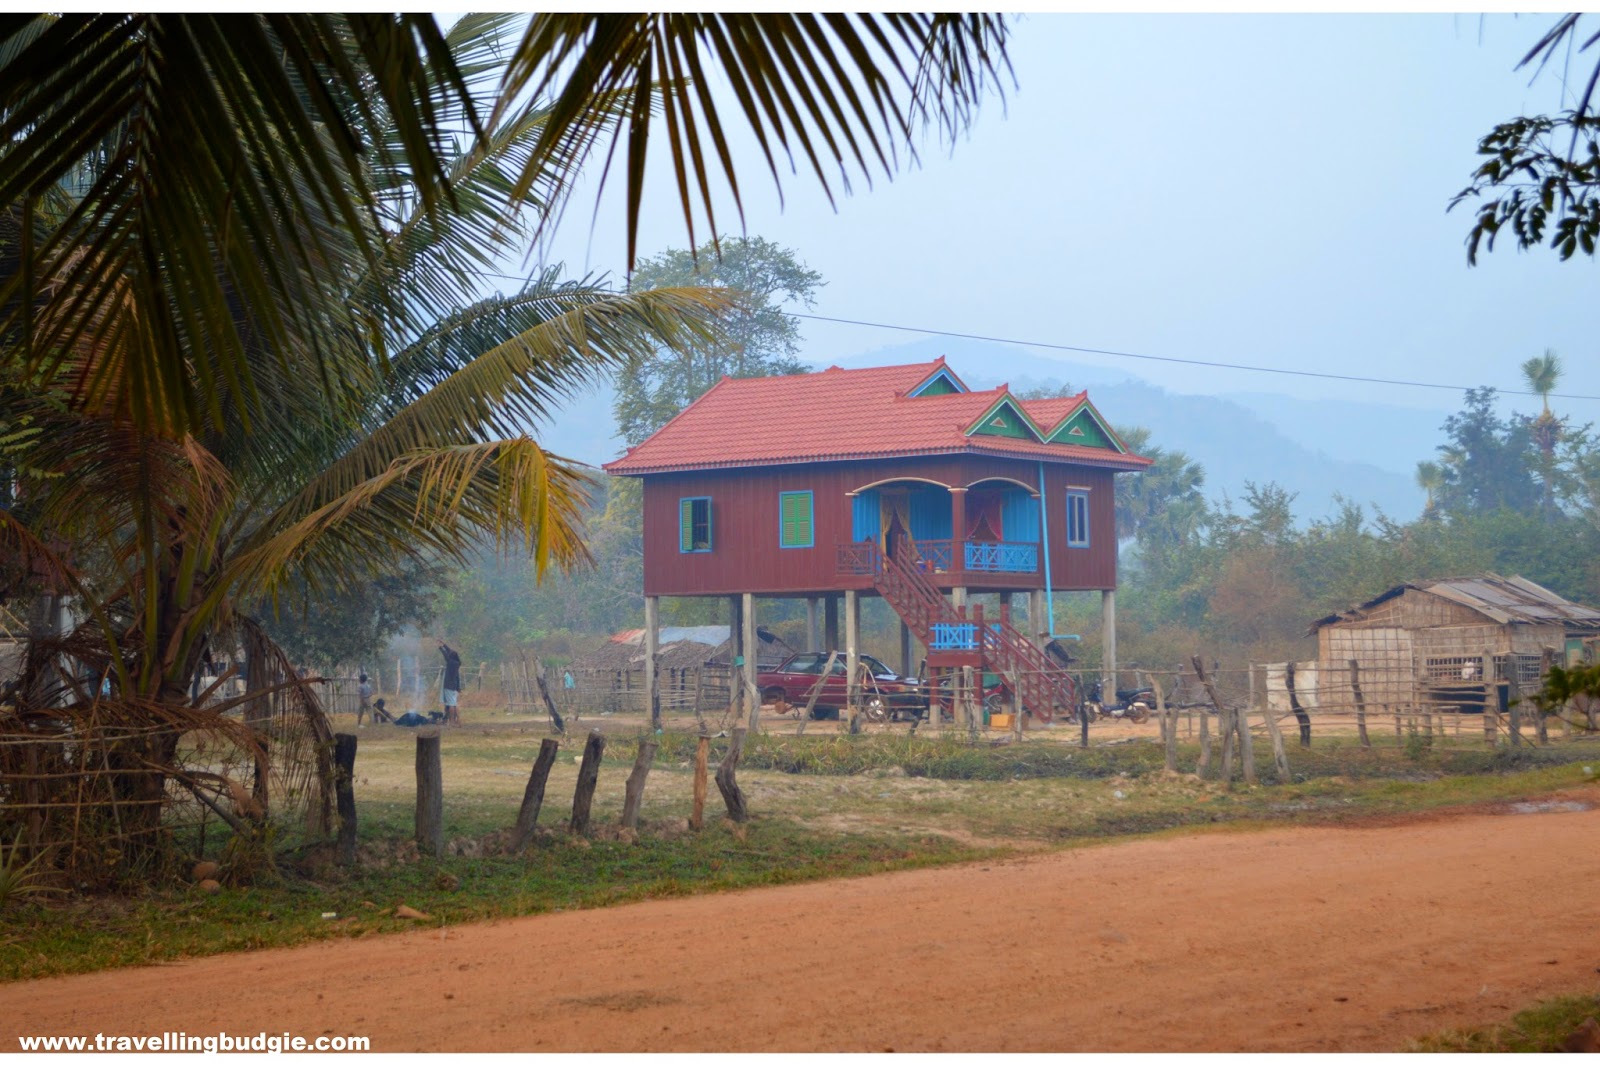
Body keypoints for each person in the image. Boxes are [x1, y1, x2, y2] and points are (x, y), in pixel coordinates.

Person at [437, 639, 463, 726]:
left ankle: (451, 721)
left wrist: (441, 648)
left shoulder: (451, 663)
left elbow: (446, 656)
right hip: (454, 686)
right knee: (452, 703)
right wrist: (444, 645)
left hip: (449, 686)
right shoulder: (456, 663)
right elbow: (450, 652)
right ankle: (453, 720)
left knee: (451, 704)